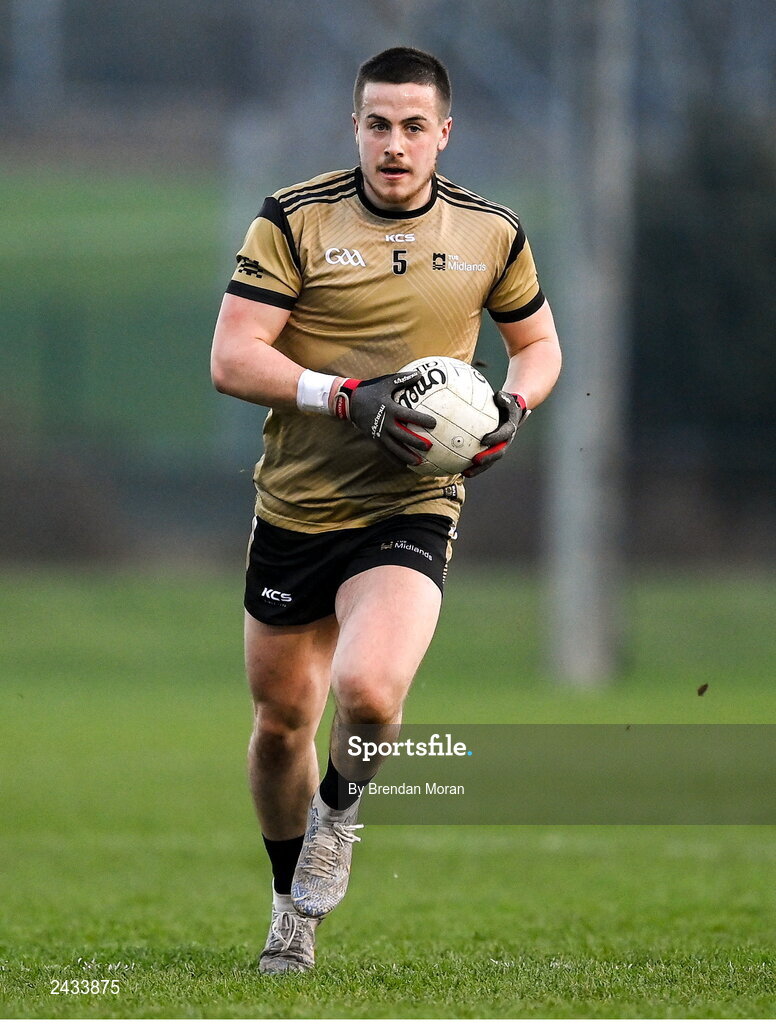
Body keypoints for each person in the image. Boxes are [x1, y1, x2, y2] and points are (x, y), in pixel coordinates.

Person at [210, 46, 562, 973]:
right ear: (354, 126)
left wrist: (513, 408)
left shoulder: (493, 232)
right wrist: (345, 397)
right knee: (282, 721)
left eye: (414, 126)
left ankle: (342, 813)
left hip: (412, 501)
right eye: (378, 123)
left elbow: (538, 347)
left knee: (369, 692)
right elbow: (233, 357)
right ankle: (290, 903)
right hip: (296, 504)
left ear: (445, 133)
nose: (394, 144)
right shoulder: (294, 220)